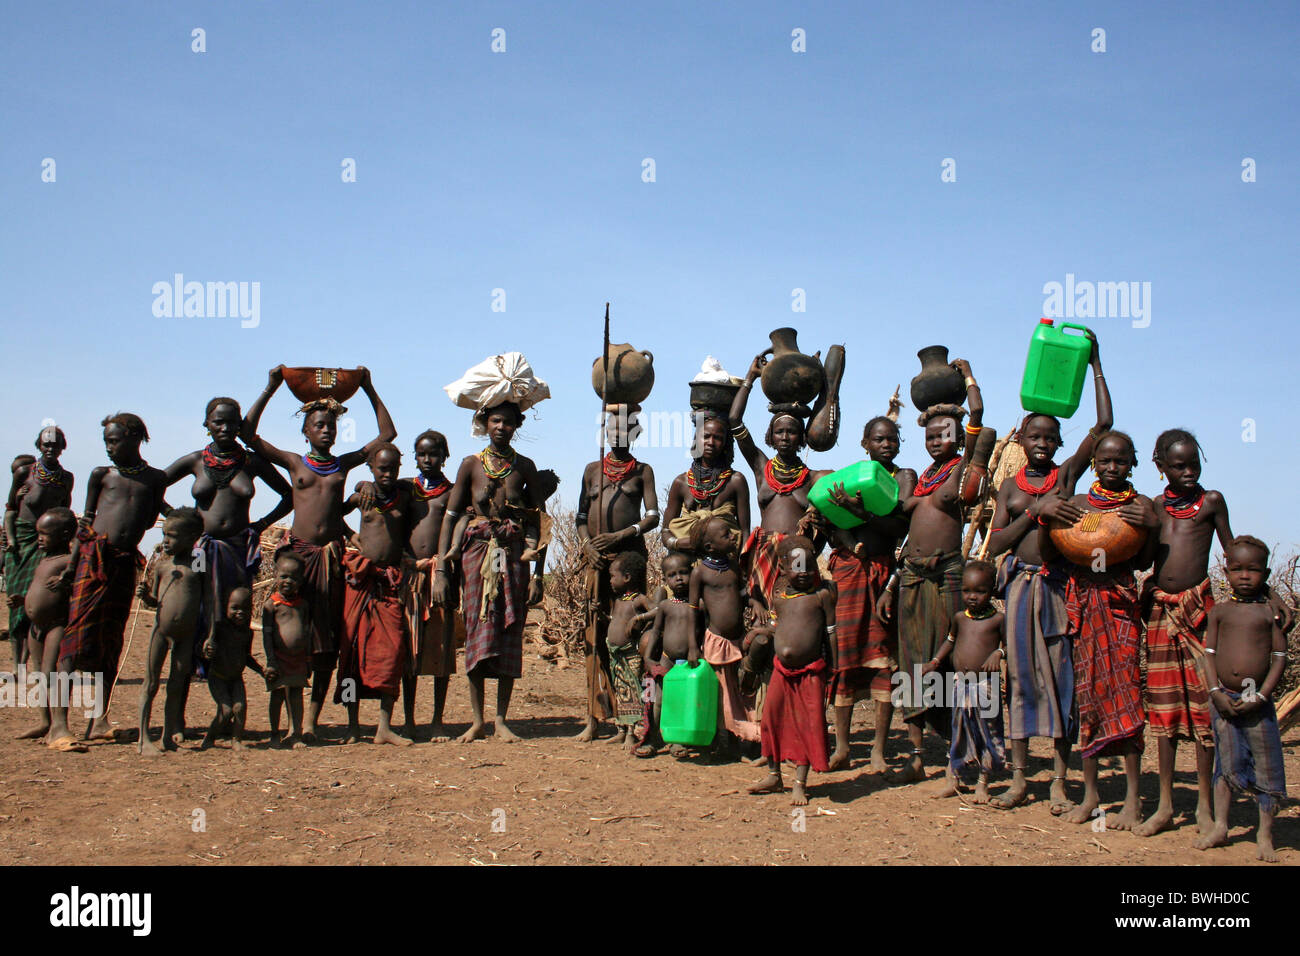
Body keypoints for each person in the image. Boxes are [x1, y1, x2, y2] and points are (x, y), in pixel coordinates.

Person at [985, 333, 1110, 812]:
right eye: (1034, 436)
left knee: (1060, 680)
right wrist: (1034, 512)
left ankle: (1058, 779)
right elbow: (994, 544)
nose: (1042, 444)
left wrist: (1095, 363)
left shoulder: (1066, 478)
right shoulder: (1010, 489)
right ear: (1020, 440)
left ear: (1058, 444)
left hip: (1059, 587)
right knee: (1019, 679)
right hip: (1019, 587)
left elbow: (1103, 423)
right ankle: (1019, 779)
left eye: (1050, 438)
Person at [241, 365, 396, 741]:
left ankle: (310, 723)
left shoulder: (343, 465)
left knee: (327, 639)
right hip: (296, 558)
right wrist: (271, 386)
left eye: (331, 425)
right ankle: (285, 724)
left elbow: (387, 435)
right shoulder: (295, 462)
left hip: (331, 558)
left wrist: (369, 388)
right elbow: (248, 434)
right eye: (319, 425)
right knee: (289, 633)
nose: (327, 430)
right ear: (305, 430)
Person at [1045, 431, 1159, 830]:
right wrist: (1048, 518)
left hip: (1119, 600)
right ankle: (1091, 795)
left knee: (1126, 694)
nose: (1112, 468)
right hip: (1083, 601)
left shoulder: (1140, 507)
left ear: (1134, 463)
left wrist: (1154, 526)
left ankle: (1132, 799)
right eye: (1105, 461)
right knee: (1087, 697)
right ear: (1093, 464)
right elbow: (1050, 551)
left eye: (1121, 461)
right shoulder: (1077, 505)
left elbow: (1144, 560)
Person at [161, 396, 292, 738]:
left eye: (232, 422)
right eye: (218, 422)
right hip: (202, 553)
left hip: (237, 552)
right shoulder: (194, 461)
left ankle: (232, 718)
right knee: (194, 625)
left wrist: (261, 523)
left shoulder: (251, 462)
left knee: (232, 627)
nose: (225, 428)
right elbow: (155, 484)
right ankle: (176, 721)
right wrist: (178, 522)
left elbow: (288, 494)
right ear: (206, 423)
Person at [882, 357, 983, 783]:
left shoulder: (962, 471)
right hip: (910, 576)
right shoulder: (919, 478)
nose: (936, 440)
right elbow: (904, 535)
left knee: (953, 659)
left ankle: (963, 756)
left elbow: (978, 414)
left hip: (948, 575)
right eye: (929, 436)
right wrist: (890, 584)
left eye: (944, 434)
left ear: (958, 436)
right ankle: (918, 754)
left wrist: (967, 376)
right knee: (910, 662)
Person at [1131, 428, 1229, 837]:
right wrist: (1146, 527)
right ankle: (1166, 804)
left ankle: (1205, 804)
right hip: (1159, 614)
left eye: (1194, 464)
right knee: (1165, 712)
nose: (1189, 472)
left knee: (1205, 713)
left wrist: (1266, 593)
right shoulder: (1156, 508)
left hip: (1197, 613)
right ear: (1159, 467)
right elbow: (1145, 561)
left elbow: (1232, 548)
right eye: (1179, 466)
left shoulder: (1211, 502)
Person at [48, 413, 166, 749]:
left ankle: (99, 720)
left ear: (134, 438)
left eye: (114, 441)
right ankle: (59, 726)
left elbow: (150, 516)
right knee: (74, 640)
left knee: (110, 642)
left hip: (124, 562)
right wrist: (71, 569)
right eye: (106, 443)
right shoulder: (102, 475)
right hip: (92, 560)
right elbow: (85, 524)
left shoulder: (155, 479)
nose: (109, 449)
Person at [435, 401, 547, 743]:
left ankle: (501, 720)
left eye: (509, 422)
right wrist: (442, 566)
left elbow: (540, 521)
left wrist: (539, 573)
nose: (502, 427)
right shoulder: (470, 465)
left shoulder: (525, 467)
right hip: (476, 554)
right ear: (485, 423)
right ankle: (477, 720)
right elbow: (452, 516)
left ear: (517, 426)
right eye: (496, 421)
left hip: (512, 556)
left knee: (508, 632)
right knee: (477, 629)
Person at [825, 412, 915, 773]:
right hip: (848, 571)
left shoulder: (904, 477)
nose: (886, 444)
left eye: (892, 439)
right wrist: (848, 530)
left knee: (882, 660)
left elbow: (901, 522)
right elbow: (830, 524)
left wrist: (862, 513)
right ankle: (843, 747)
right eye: (879, 439)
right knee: (844, 660)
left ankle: (878, 749)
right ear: (865, 444)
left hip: (882, 574)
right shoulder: (850, 477)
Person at [1196, 537, 1288, 862]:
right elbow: (1208, 655)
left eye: (1253, 570)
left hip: (1257, 700)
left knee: (1266, 765)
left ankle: (1264, 834)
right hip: (1224, 698)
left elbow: (1279, 658)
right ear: (1225, 571)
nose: (1245, 576)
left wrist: (1262, 696)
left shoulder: (1270, 614)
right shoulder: (1219, 612)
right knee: (1227, 764)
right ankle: (1221, 826)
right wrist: (1215, 692)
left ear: (1266, 572)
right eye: (1237, 569)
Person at [573, 408, 659, 742]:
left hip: (627, 563)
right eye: (611, 428)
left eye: (624, 430)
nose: (616, 434)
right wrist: (588, 547)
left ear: (634, 434)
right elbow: (582, 516)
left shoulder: (642, 471)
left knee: (631, 640)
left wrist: (620, 536)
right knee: (595, 635)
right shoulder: (592, 470)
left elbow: (652, 517)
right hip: (596, 564)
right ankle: (595, 718)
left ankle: (636, 720)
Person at [747, 536, 835, 805]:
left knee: (807, 725)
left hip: (810, 672)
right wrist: (758, 632)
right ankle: (774, 775)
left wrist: (834, 670)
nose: (804, 572)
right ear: (784, 570)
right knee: (772, 718)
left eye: (809, 567)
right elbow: (779, 628)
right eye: (796, 567)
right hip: (781, 670)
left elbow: (831, 635)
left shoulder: (822, 597)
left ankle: (800, 782)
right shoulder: (780, 598)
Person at [337, 443, 413, 746]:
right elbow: (332, 510)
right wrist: (349, 535)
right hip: (359, 583)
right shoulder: (361, 498)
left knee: (391, 653)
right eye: (381, 468)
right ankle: (352, 725)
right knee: (350, 653)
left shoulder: (404, 498)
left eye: (394, 468)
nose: (388, 473)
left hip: (388, 583)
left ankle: (384, 726)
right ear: (370, 467)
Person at [925, 560, 1007, 803]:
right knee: (958, 730)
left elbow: (1008, 645)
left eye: (980, 592)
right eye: (967, 591)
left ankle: (983, 783)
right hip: (961, 684)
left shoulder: (998, 620)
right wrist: (935, 661)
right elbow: (950, 642)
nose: (972, 597)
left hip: (986, 686)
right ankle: (954, 779)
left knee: (987, 732)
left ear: (992, 591)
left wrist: (998, 654)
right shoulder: (960, 618)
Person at [400, 430, 458, 741]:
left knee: (440, 648)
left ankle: (437, 720)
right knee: (411, 647)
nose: (427, 460)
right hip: (410, 576)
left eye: (433, 454)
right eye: (421, 454)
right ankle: (408, 720)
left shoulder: (451, 492)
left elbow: (458, 529)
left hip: (440, 576)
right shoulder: (406, 489)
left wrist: (443, 569)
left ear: (444, 456)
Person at [135, 508, 206, 755]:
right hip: (161, 631)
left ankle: (168, 738)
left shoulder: (198, 562)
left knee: (176, 684)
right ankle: (143, 739)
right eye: (165, 535)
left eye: (172, 536)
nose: (166, 540)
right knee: (151, 682)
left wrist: (212, 633)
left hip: (187, 634)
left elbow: (209, 597)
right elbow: (156, 601)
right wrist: (146, 597)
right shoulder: (163, 567)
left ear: (193, 537)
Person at [5, 426, 74, 667]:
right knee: (16, 604)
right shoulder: (24, 473)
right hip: (21, 543)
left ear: (62, 447)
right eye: (46, 444)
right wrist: (10, 540)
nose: (50, 449)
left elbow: (65, 513)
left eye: (55, 445)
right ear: (39, 445)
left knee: (36, 597)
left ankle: (31, 658)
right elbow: (10, 509)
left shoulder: (66, 479)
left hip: (48, 544)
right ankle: (17, 663)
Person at [692, 515, 760, 753]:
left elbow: (743, 595)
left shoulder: (733, 567)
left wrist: (755, 604)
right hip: (717, 640)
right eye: (726, 535)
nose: (733, 536)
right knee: (723, 694)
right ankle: (724, 739)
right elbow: (693, 612)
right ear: (710, 546)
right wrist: (693, 645)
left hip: (739, 638)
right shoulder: (700, 573)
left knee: (740, 690)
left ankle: (745, 736)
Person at [15, 507, 77, 743]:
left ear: (63, 535)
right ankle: (44, 722)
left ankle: (60, 725)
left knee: (53, 674)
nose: (40, 538)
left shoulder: (69, 562)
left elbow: (79, 589)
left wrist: (65, 583)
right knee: (40, 674)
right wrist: (23, 601)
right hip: (35, 627)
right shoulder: (44, 559)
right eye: (38, 532)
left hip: (56, 624)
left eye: (45, 533)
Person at [660, 410, 749, 555]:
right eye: (705, 436)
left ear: (725, 442)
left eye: (718, 438)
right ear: (697, 440)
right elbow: (665, 531)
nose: (711, 442)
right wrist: (677, 543)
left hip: (725, 566)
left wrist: (743, 565)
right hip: (686, 561)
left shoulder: (736, 481)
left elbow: (745, 531)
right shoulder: (681, 482)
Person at [639, 551, 697, 757]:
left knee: (682, 701)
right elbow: (655, 631)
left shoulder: (697, 605)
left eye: (683, 573)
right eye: (672, 575)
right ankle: (653, 739)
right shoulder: (664, 606)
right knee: (657, 699)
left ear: (693, 574)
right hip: (666, 659)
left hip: (689, 663)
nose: (679, 578)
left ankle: (677, 741)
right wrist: (647, 657)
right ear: (665, 580)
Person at [199, 587, 263, 750]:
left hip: (236, 678)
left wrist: (262, 671)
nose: (240, 612)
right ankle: (209, 738)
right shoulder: (219, 629)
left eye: (245, 609)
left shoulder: (247, 633)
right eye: (235, 608)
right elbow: (204, 649)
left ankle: (237, 740)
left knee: (240, 708)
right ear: (226, 608)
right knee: (226, 710)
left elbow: (246, 656)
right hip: (218, 677)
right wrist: (207, 651)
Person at [263, 552, 312, 748]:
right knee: (277, 696)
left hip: (298, 659)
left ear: (301, 581)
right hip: (279, 659)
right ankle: (275, 733)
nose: (288, 581)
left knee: (296, 696)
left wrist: (308, 659)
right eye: (284, 576)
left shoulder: (303, 605)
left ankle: (296, 733)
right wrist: (270, 660)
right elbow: (266, 637)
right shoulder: (271, 606)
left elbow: (307, 633)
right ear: (276, 576)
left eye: (293, 578)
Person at [604, 550, 651, 753]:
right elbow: (615, 621)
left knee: (633, 691)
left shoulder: (639, 600)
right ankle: (622, 729)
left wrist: (638, 619)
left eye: (613, 576)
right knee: (621, 690)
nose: (611, 581)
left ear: (627, 577)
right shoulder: (618, 601)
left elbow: (658, 610)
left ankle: (632, 732)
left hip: (630, 653)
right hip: (615, 654)